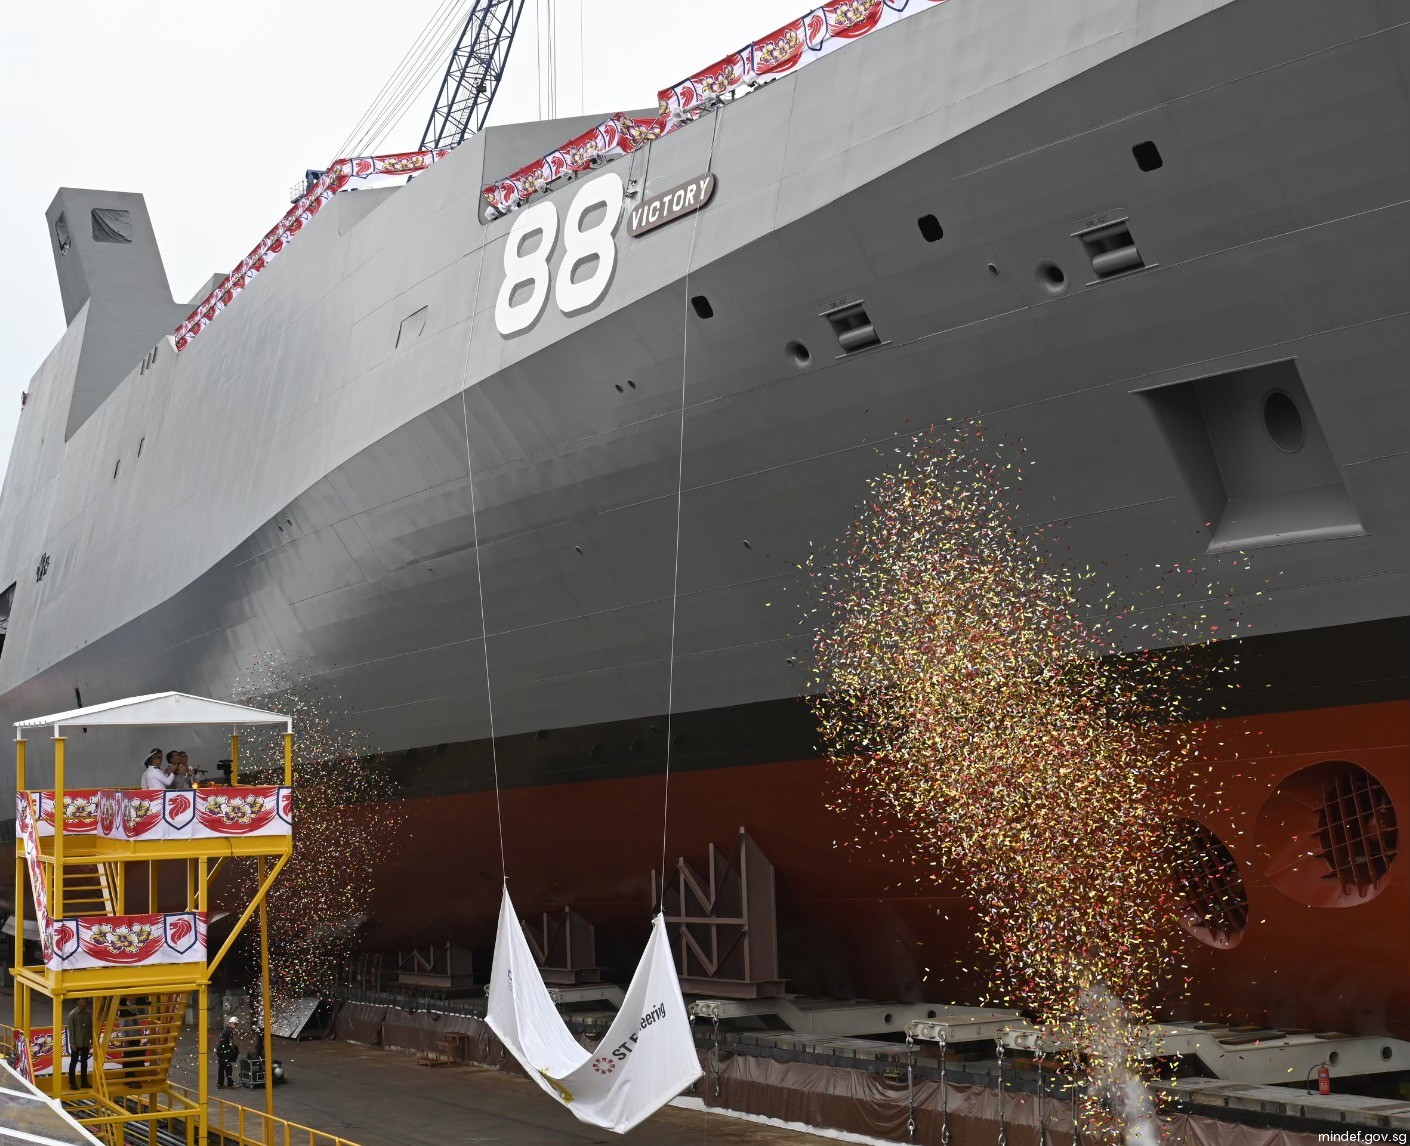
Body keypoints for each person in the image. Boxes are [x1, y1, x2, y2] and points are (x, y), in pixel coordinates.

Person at [65, 998, 93, 1090]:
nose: (85, 1001)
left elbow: (90, 1028)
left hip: (85, 1042)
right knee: (73, 1062)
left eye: (85, 999)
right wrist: (72, 1043)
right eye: (83, 999)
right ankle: (72, 1083)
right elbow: (71, 1030)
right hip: (76, 1043)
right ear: (77, 1001)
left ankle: (84, 1082)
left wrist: (91, 1040)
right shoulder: (72, 1015)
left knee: (84, 1063)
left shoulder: (88, 1014)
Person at [217, 1018, 239, 1089]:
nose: (235, 1026)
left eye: (236, 1024)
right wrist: (233, 1050)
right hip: (223, 1051)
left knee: (221, 1067)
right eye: (234, 1024)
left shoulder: (227, 1030)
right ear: (230, 1023)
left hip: (220, 1051)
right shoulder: (229, 1031)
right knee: (228, 1066)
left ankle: (220, 1084)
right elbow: (231, 1042)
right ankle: (230, 1084)